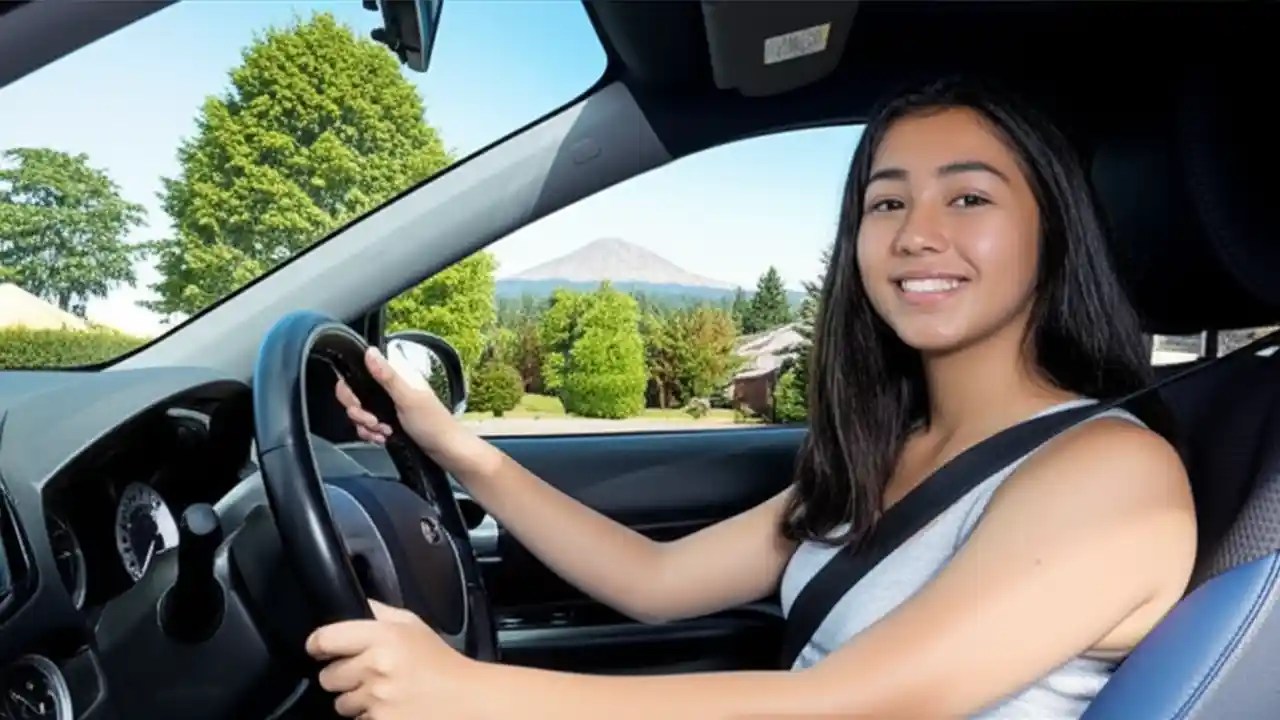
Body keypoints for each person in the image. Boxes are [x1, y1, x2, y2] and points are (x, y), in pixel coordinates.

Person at [304, 76, 1196, 719]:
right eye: (886, 205)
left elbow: (850, 702)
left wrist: (468, 693)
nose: (918, 235)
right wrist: (451, 443)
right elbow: (653, 580)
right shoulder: (886, 450)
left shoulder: (1113, 470)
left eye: (968, 197)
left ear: (1052, 231)